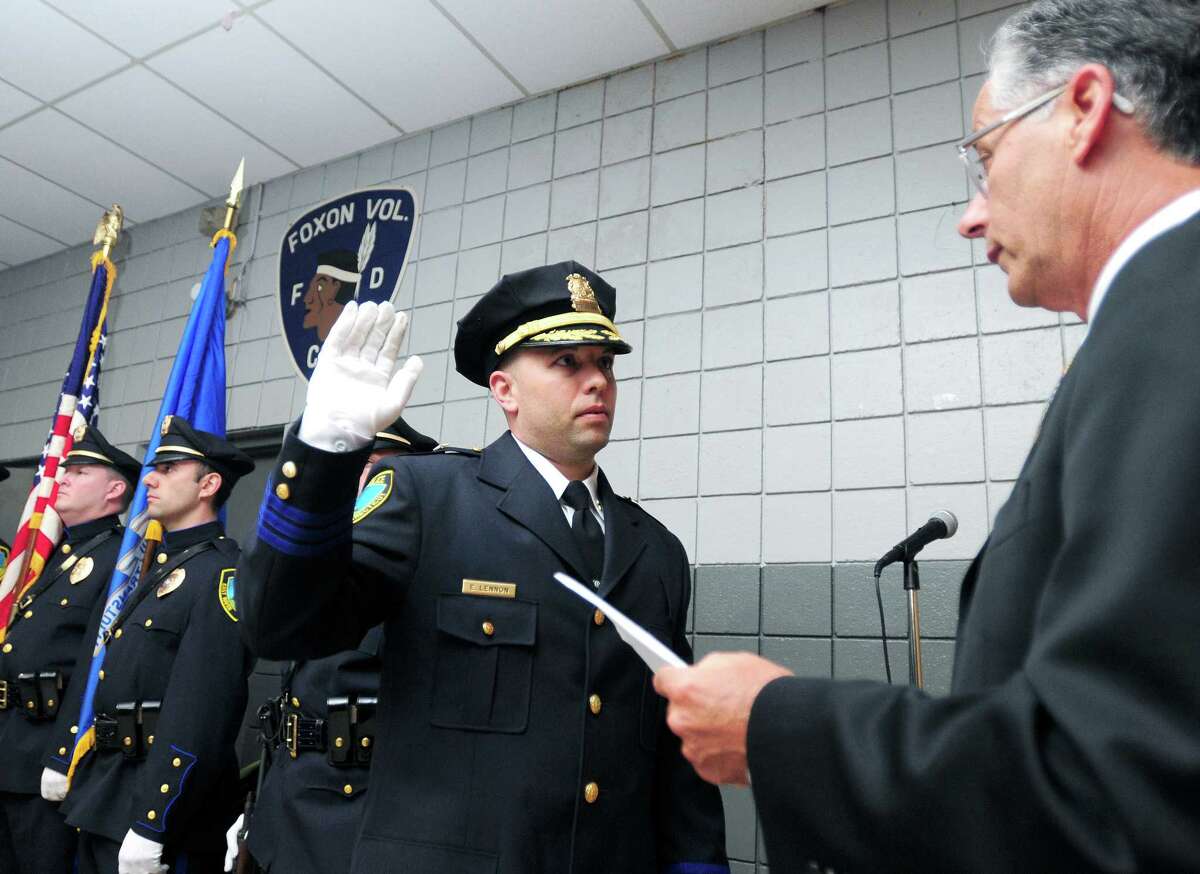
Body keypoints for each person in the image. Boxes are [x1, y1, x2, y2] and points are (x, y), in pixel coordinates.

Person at [652, 1, 1200, 870]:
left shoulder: (1177, 314)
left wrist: (777, 728)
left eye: (984, 162)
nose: (970, 217)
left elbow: (1120, 792)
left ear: (1085, 109)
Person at [238, 261, 728, 874]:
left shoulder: (656, 550)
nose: (597, 380)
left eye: (604, 363)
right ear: (505, 390)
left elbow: (675, 747)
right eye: (566, 363)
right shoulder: (427, 499)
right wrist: (323, 450)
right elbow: (284, 626)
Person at [47, 417, 255, 874]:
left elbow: (202, 709)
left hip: (160, 802)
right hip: (110, 788)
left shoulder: (221, 575)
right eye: (151, 467)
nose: (150, 478)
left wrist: (153, 821)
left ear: (209, 484)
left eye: (169, 468)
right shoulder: (159, 568)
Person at [235, 416, 438, 874]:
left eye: (370, 466)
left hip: (355, 818)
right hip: (288, 803)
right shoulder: (321, 573)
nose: (356, 479)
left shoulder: (415, 566)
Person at [0, 427, 138, 874]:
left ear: (115, 490)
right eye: (66, 469)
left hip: (45, 756)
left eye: (79, 472)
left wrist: (62, 756)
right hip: (10, 745)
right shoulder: (58, 554)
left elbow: (95, 667)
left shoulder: (118, 562)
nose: (63, 477)